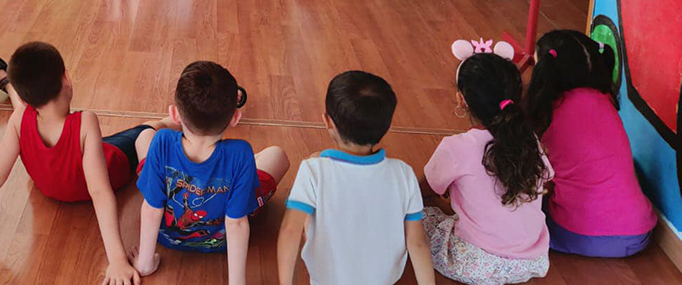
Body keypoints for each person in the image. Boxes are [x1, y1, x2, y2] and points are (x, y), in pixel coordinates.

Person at [0, 42, 166, 285]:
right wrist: (117, 260)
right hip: (114, 164)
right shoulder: (85, 123)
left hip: (49, 184)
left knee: (30, 118)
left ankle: (8, 84)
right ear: (66, 79)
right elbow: (99, 191)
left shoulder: (19, 119)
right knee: (142, 131)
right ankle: (171, 120)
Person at [134, 61, 289, 285]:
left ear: (174, 115)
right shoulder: (241, 152)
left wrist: (145, 264)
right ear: (235, 118)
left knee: (143, 136)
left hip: (168, 237)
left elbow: (151, 209)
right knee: (277, 154)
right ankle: (239, 168)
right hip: (220, 241)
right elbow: (236, 224)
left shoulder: (162, 141)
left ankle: (196, 136)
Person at [277, 70, 434, 285]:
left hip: (327, 280)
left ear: (327, 121)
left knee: (310, 206)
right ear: (386, 127)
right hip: (383, 280)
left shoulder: (313, 170)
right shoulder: (404, 173)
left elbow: (289, 231)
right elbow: (418, 243)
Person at [422, 50, 551, 285]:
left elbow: (425, 189)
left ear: (461, 99)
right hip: (532, 260)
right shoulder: (530, 140)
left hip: (478, 264)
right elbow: (546, 177)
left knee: (420, 218)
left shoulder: (457, 147)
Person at [524, 30, 656, 257]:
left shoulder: (546, 112)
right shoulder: (605, 100)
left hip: (580, 236)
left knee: (521, 202)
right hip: (639, 236)